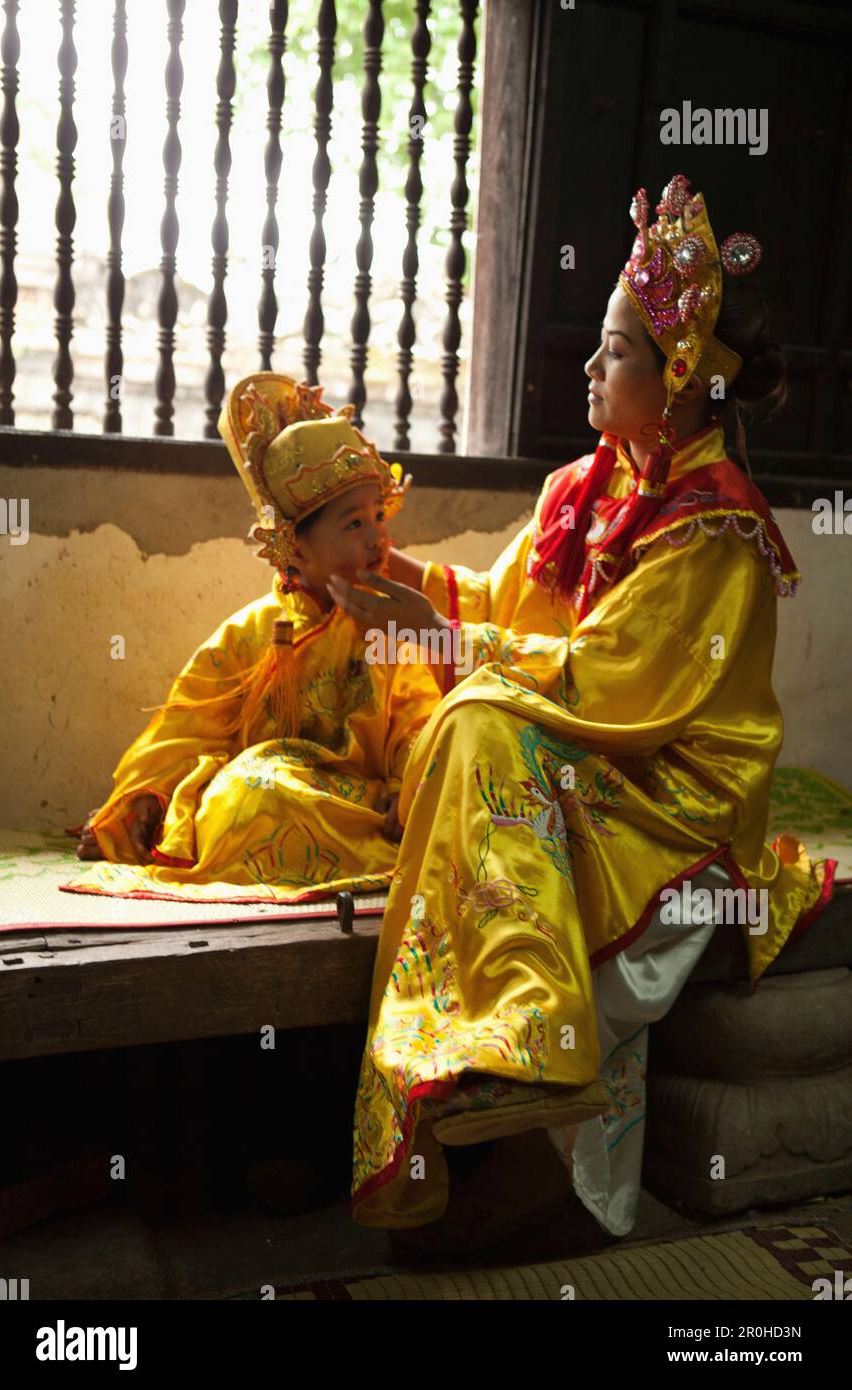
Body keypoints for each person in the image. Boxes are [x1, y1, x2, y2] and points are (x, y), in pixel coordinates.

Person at [328, 175, 842, 1245]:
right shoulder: (583, 488)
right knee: (467, 724)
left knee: (480, 724)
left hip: (674, 793)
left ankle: (528, 1095)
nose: (589, 365)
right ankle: (492, 1099)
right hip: (599, 756)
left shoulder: (715, 529)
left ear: (683, 377)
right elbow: (505, 601)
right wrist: (392, 575)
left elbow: (601, 681)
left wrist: (435, 635)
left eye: (613, 350)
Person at [66, 374, 441, 903]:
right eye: (354, 524)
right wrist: (145, 798)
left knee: (286, 796)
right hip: (264, 789)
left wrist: (409, 792)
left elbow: (417, 721)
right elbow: (188, 726)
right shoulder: (248, 634)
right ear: (297, 547)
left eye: (379, 517)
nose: (379, 538)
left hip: (355, 800)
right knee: (248, 790)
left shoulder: (388, 634)